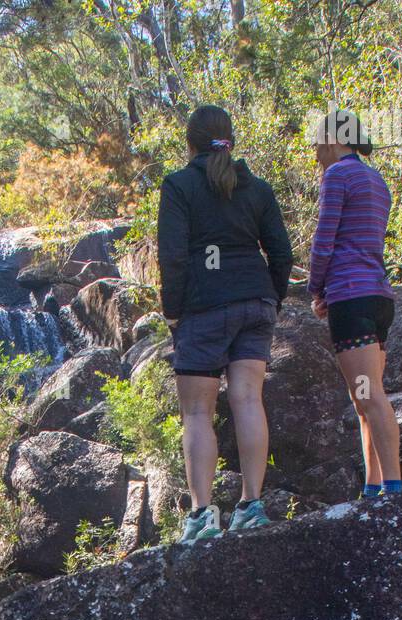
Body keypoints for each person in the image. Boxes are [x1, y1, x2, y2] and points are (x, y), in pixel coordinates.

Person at [157, 104, 293, 542]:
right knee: (248, 401)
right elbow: (282, 253)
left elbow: (173, 256)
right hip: (255, 302)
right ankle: (251, 506)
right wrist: (270, 298)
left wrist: (173, 310)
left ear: (190, 142)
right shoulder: (257, 188)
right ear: (229, 139)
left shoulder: (179, 186)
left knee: (198, 411)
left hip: (204, 307)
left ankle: (202, 517)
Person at [309, 110, 401, 499]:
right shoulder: (377, 180)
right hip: (379, 298)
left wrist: (316, 289)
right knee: (364, 396)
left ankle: (394, 489)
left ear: (333, 140)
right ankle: (374, 487)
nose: (315, 153)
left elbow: (324, 239)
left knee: (369, 396)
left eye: (316, 143)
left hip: (350, 296)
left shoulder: (338, 176)